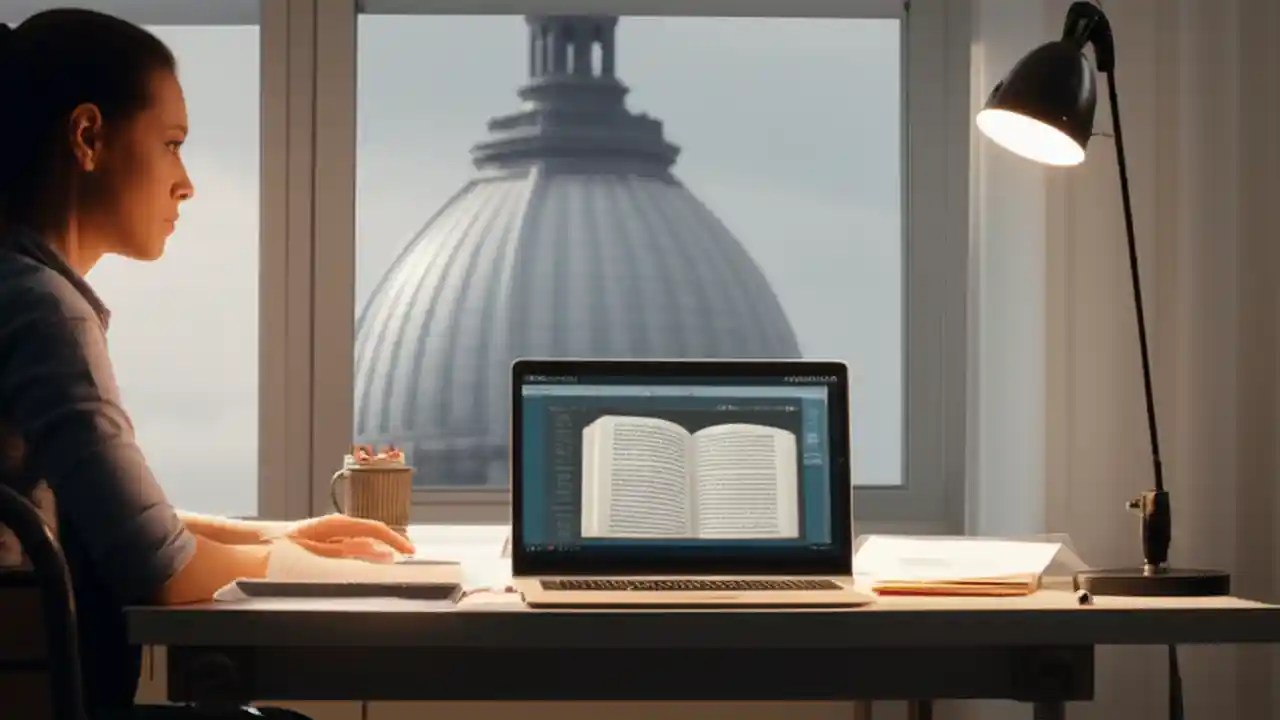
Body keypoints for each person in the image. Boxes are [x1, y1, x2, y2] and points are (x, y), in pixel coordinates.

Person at [0, 8, 416, 718]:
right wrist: (311, 571)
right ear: (89, 136)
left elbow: (105, 513)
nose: (185, 182)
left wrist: (276, 534)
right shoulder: (44, 310)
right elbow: (158, 570)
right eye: (170, 143)